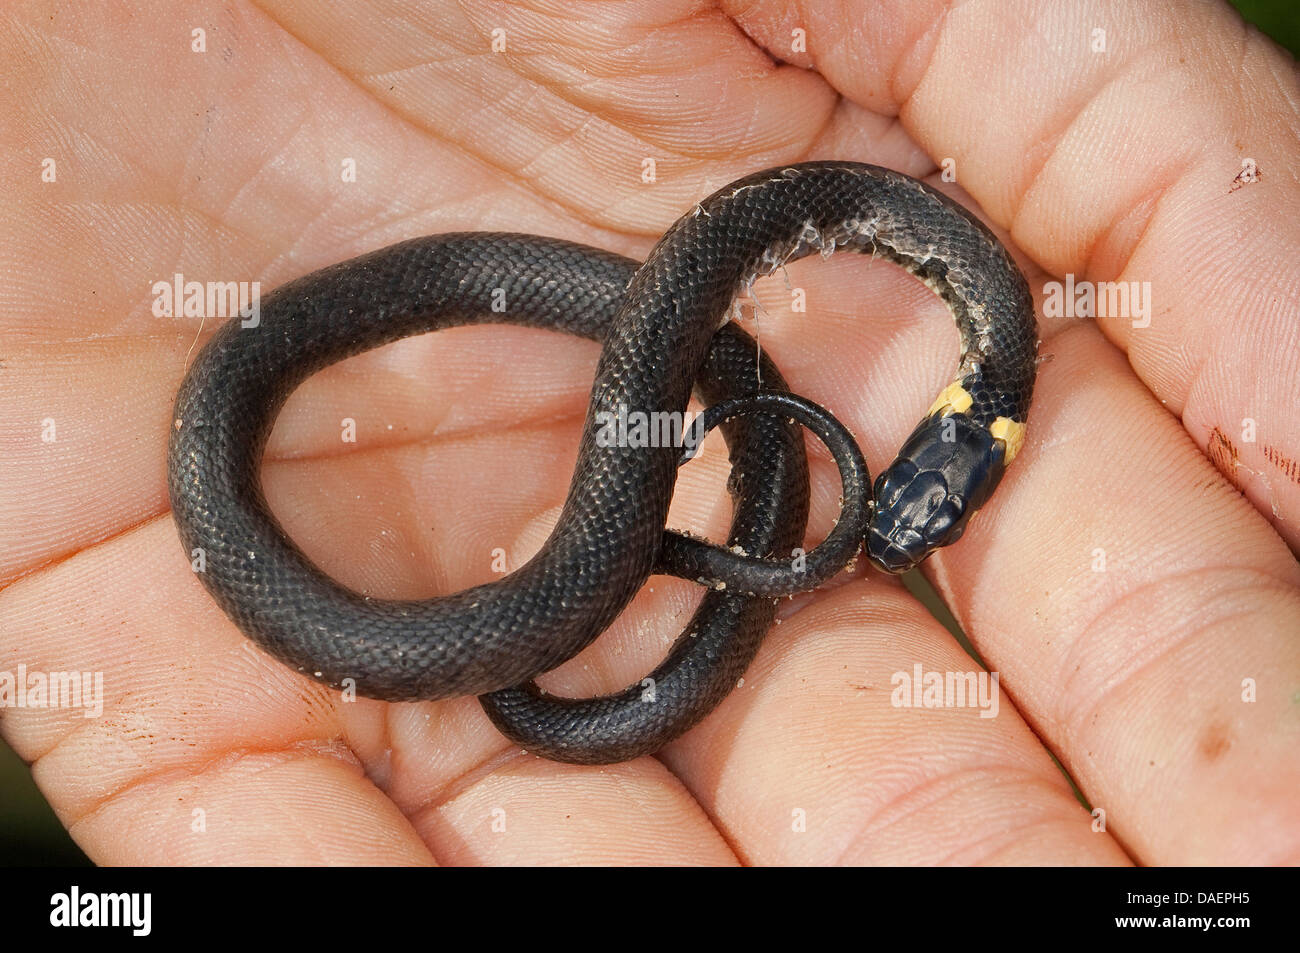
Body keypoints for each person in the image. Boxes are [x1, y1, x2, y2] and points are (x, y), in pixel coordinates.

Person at [1, 0, 1296, 865]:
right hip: (654, 410)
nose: (906, 528)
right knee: (708, 361)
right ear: (974, 421)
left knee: (710, 364)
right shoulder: (898, 281)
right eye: (912, 504)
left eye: (921, 509)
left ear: (981, 428)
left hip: (689, 420)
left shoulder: (970, 327)